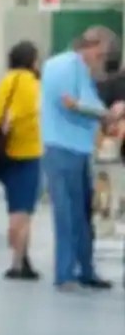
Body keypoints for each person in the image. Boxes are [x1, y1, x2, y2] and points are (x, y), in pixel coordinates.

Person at [39, 26, 124, 291]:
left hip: (79, 148)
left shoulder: (80, 69)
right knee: (66, 214)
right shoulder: (63, 66)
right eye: (102, 54)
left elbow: (86, 102)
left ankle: (85, 269)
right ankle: (65, 274)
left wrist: (105, 116)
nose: (102, 61)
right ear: (92, 44)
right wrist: (108, 115)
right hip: (61, 148)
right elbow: (71, 103)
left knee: (83, 214)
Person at [0, 41, 42, 280]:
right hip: (28, 151)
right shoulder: (30, 83)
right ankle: (17, 263)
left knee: (14, 207)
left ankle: (22, 258)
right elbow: (19, 112)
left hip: (6, 152)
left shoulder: (6, 80)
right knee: (24, 211)